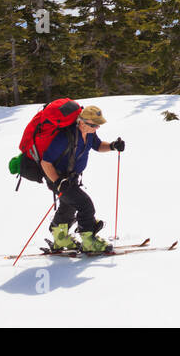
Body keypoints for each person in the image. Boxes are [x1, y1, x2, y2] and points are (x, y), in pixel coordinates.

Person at [40, 105, 126, 253]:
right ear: (82, 122)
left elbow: (98, 146)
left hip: (71, 179)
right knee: (85, 204)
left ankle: (60, 238)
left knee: (69, 206)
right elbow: (45, 162)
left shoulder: (90, 134)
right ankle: (89, 241)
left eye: (99, 124)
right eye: (94, 125)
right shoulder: (64, 137)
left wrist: (112, 146)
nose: (97, 127)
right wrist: (58, 181)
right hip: (57, 178)